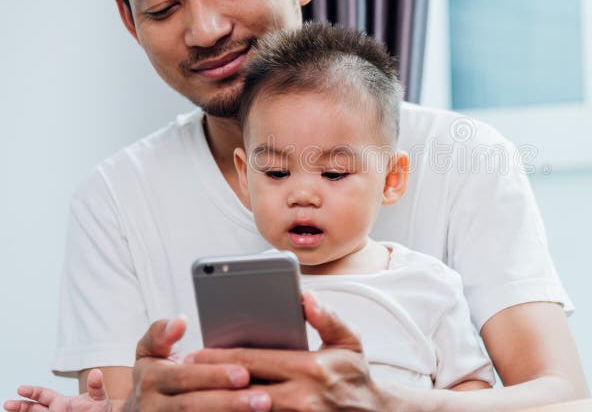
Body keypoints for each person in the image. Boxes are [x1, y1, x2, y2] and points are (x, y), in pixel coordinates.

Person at [11, 0, 588, 410]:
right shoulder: (113, 200)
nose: (206, 29)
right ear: (129, 20)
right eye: (162, 8)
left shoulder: (468, 158)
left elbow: (564, 397)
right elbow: (115, 399)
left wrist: (382, 403)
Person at [5, 24, 498, 412]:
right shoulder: (234, 294)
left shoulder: (428, 285)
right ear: (246, 175)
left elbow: (473, 395)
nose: (302, 194)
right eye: (277, 171)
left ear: (391, 178)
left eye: (333, 172)